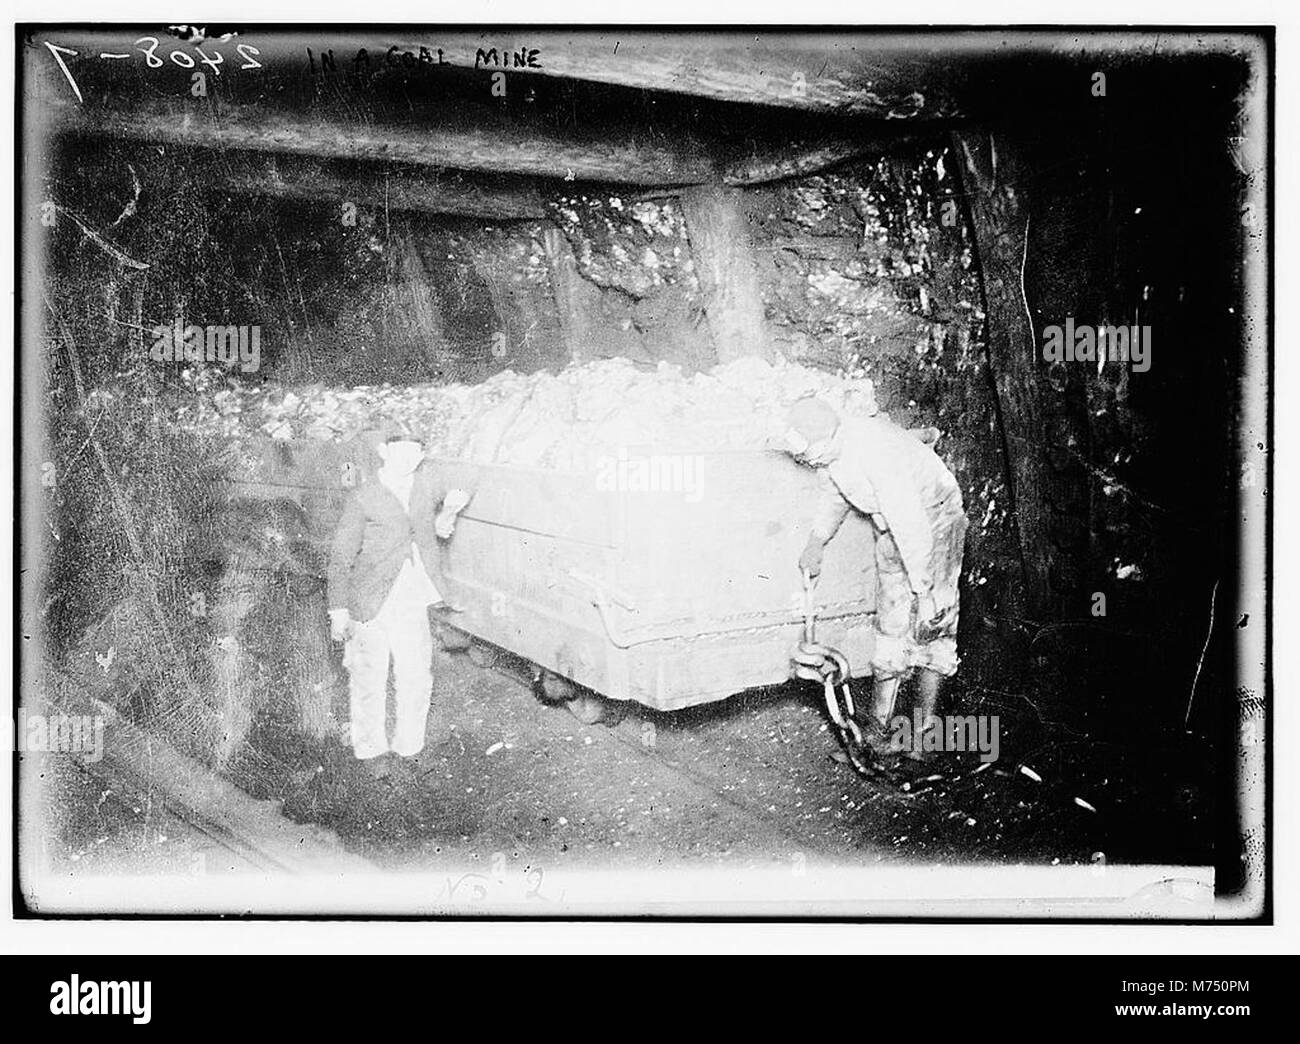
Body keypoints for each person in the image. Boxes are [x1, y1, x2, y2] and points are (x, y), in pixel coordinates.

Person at [781, 398, 968, 761]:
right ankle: (880, 731)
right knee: (892, 622)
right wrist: (817, 540)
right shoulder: (831, 451)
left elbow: (911, 525)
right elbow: (836, 491)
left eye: (812, 458)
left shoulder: (873, 451)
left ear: (829, 437)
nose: (811, 464)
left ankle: (924, 737)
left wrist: (925, 592)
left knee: (933, 626)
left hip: (935, 521)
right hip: (894, 528)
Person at [326, 427, 469, 775]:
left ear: (421, 457)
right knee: (368, 678)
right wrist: (338, 611)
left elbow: (452, 502)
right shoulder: (364, 496)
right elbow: (341, 556)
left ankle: (409, 749)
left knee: (416, 676)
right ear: (384, 452)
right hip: (369, 600)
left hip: (410, 597)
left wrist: (447, 513)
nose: (409, 459)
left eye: (415, 453)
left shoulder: (423, 488)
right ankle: (371, 752)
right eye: (400, 451)